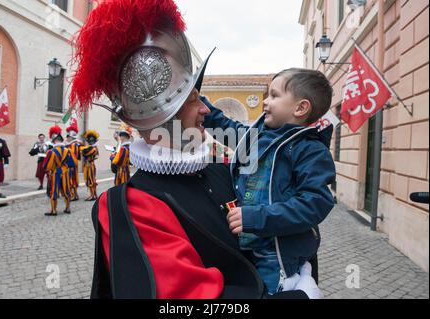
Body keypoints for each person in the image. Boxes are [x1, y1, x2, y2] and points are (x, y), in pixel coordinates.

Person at [69, 0, 320, 299]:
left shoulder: (223, 172)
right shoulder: (130, 207)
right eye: (193, 101)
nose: (205, 110)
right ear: (165, 119)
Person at [202, 68, 336, 294]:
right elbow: (225, 126)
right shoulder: (256, 138)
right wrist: (194, 96)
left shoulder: (311, 151)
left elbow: (315, 203)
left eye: (274, 95)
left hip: (276, 258)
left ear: (300, 108)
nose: (265, 101)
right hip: (248, 247)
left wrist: (257, 218)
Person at [43, 126, 76, 216]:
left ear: (54, 141)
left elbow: (46, 166)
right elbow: (71, 164)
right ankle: (67, 208)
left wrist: (49, 170)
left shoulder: (51, 152)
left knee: (54, 191)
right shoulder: (68, 151)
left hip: (55, 173)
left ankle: (54, 211)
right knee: (66, 190)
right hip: (65, 173)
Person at [81, 130, 99, 201]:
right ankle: (94, 194)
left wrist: (84, 151)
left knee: (90, 180)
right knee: (91, 179)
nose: (90, 141)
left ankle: (93, 195)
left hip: (90, 165)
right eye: (89, 140)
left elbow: (85, 153)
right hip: (89, 164)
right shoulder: (91, 147)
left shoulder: (93, 148)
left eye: (92, 140)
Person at [65, 124, 81, 201]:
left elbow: (74, 156)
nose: (67, 138)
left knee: (72, 180)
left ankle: (74, 195)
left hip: (72, 165)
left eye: (68, 137)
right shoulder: (71, 144)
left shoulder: (74, 145)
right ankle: (74, 194)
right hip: (71, 165)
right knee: (71, 180)